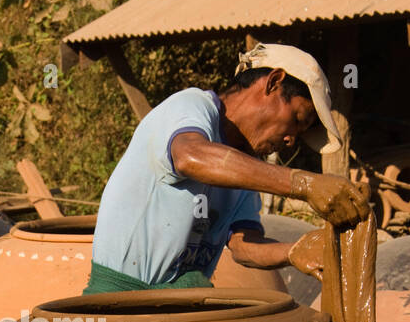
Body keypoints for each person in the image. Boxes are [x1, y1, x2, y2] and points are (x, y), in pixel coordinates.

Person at [84, 42, 370, 294]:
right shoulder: (191, 106)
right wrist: (303, 184)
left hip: (182, 303)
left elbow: (243, 245)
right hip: (119, 302)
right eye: (296, 119)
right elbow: (190, 156)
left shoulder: (245, 168)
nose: (290, 139)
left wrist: (295, 250)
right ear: (273, 83)